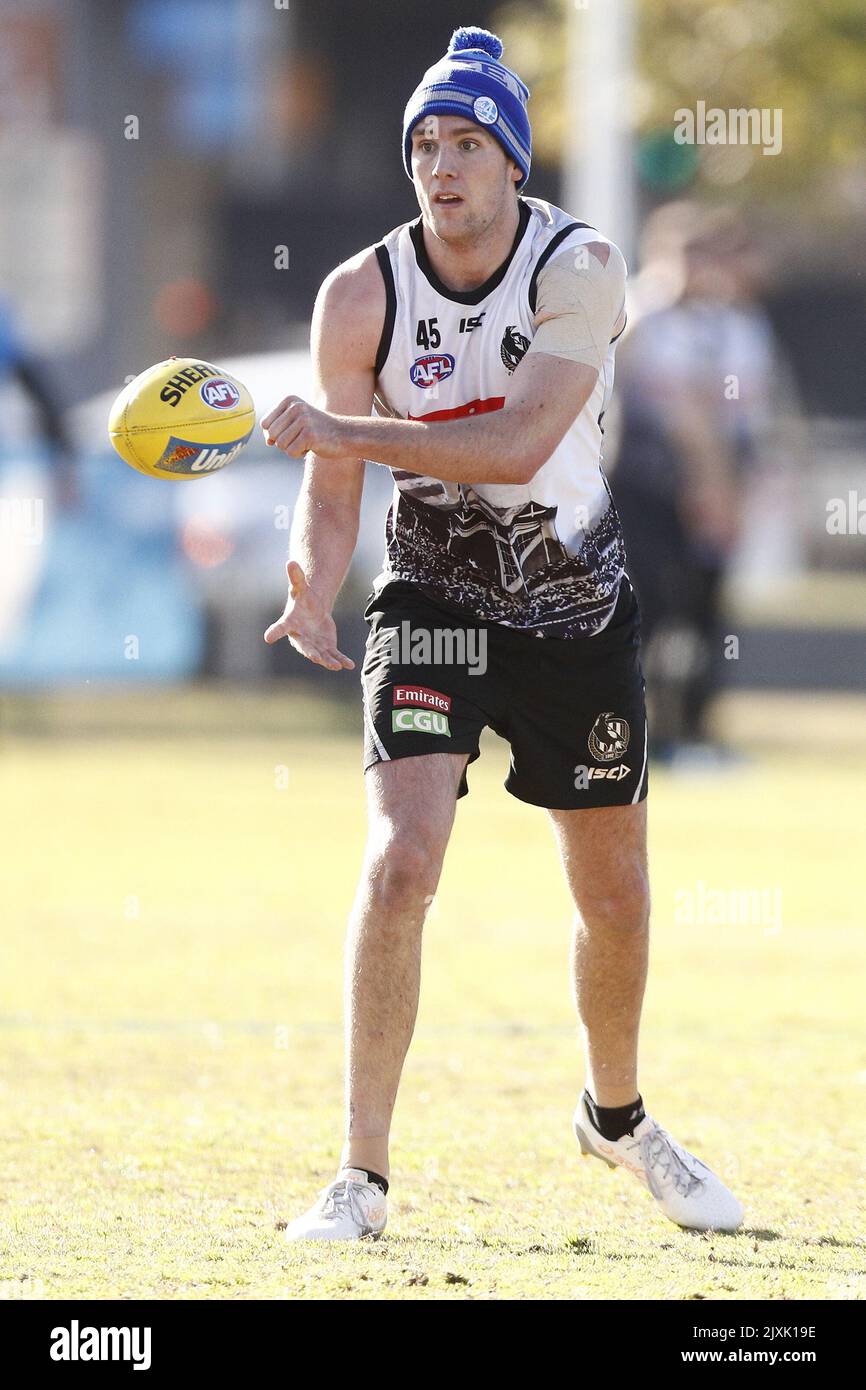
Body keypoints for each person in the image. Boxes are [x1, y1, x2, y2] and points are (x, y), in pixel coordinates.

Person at [261, 27, 743, 1240]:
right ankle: (360, 1175)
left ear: (512, 161)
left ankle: (615, 1115)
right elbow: (329, 495)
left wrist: (339, 429)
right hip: (428, 602)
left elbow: (517, 444)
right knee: (399, 859)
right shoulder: (359, 293)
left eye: (466, 141)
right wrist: (315, 581)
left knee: (615, 893)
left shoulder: (576, 265)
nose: (440, 163)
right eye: (422, 142)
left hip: (572, 605)